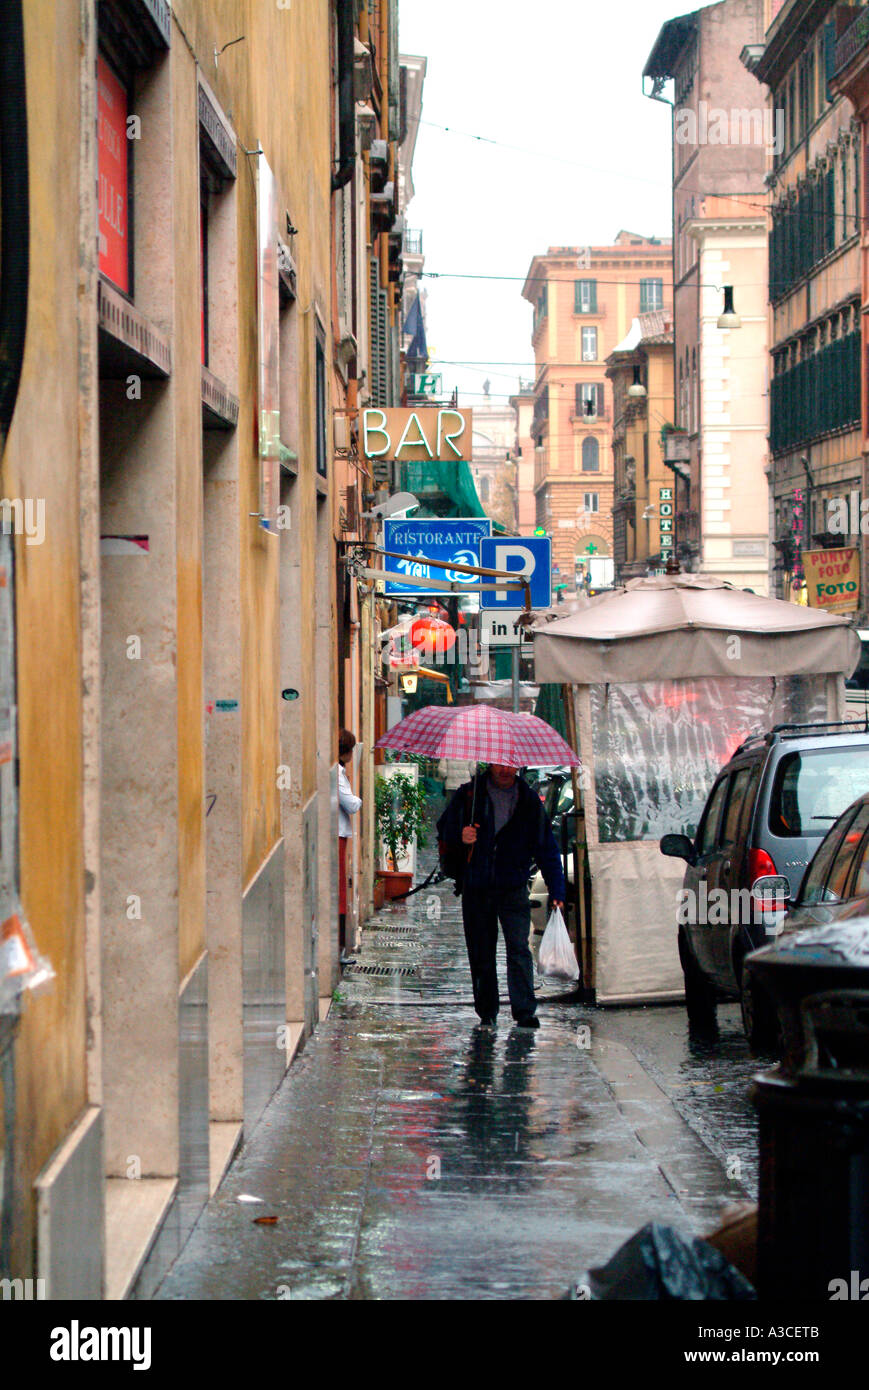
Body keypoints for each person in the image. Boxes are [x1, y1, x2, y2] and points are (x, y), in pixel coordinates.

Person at [437, 764, 566, 1030]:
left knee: (519, 948)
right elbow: (445, 829)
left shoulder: (528, 799)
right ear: (490, 762)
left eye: (510, 763)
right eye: (500, 763)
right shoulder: (469, 794)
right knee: (481, 951)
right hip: (477, 886)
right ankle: (487, 1011)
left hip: (513, 886)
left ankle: (524, 1011)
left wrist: (557, 890)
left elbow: (546, 847)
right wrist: (461, 834)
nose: (505, 769)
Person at [338, 729, 362, 962]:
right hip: (337, 835)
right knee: (338, 890)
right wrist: (359, 798)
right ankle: (338, 949)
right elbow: (351, 804)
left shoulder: (339, 771)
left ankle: (340, 949)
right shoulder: (337, 773)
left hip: (340, 833)